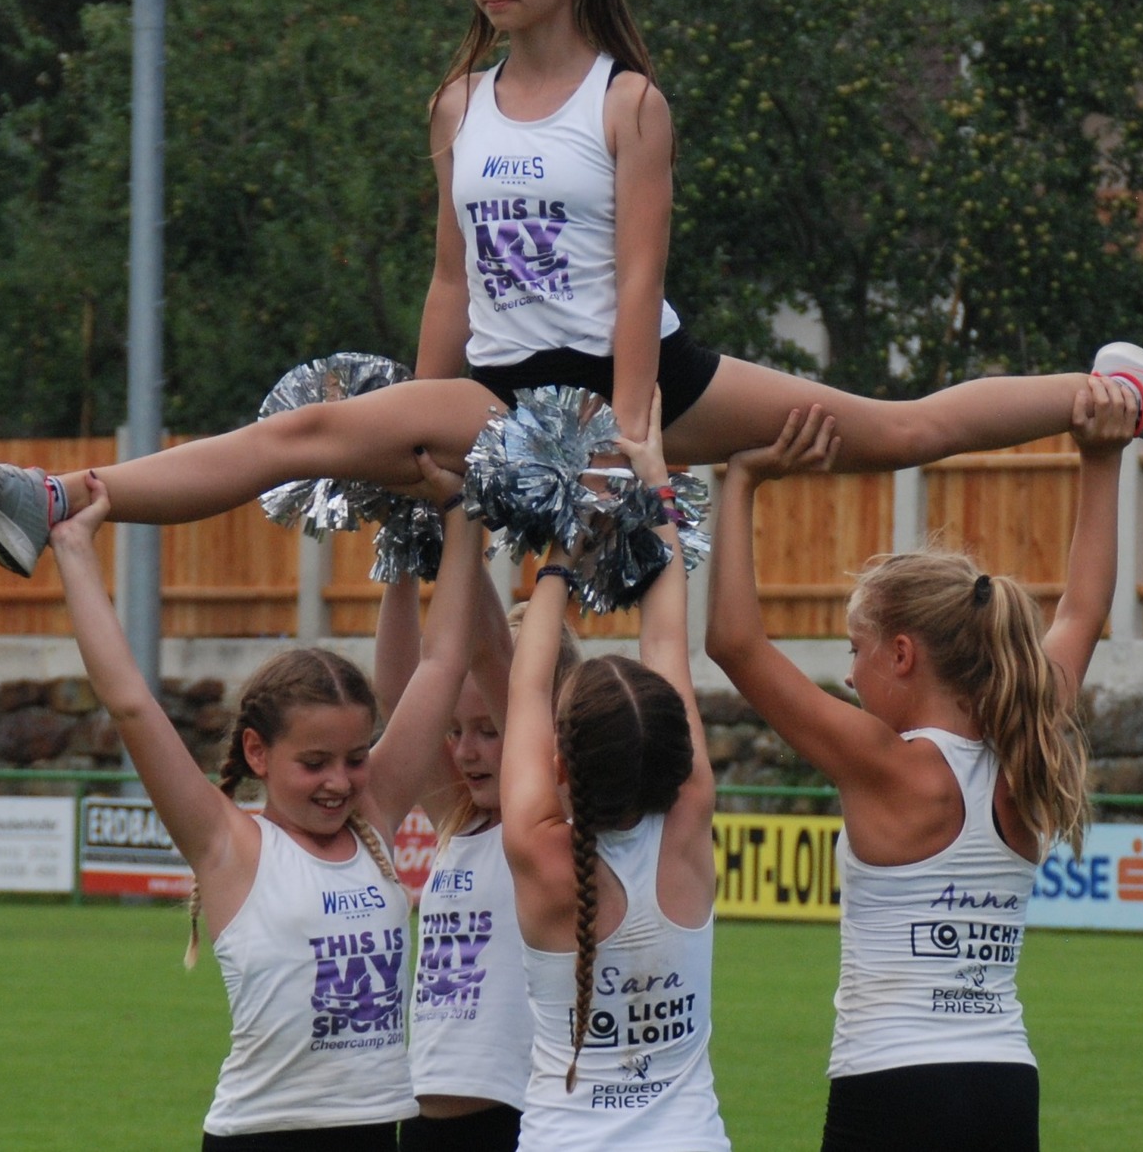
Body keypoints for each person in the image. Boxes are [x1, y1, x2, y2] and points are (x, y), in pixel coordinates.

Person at [0, 0, 1143, 580]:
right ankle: (53, 498)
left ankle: (1121, 393)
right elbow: (452, 280)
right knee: (322, 429)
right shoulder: (459, 105)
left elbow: (635, 277)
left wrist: (636, 438)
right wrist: (418, 445)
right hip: (499, 389)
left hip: (636, 374)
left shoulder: (628, 104)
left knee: (896, 432)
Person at [703, 378, 1136, 1152]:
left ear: (902, 654)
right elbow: (1081, 610)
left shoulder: (882, 763)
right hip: (1006, 1081)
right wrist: (1101, 457)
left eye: (855, 650)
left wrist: (741, 483)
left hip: (893, 1085)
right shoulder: (1025, 740)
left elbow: (735, 642)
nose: (848, 674)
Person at [48, 456, 483, 1152]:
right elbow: (130, 701)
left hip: (378, 1132)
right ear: (258, 753)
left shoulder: (374, 816)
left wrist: (461, 514)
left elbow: (444, 661)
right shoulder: (228, 843)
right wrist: (73, 548)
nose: (340, 780)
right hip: (261, 1136)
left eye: (354, 756)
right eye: (313, 763)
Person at [498, 388, 731, 1149]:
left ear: (560, 761)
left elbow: (526, 685)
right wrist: (655, 479)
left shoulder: (539, 847)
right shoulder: (692, 811)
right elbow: (668, 647)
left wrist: (562, 548)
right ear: (675, 761)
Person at [369, 578, 578, 1152]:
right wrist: (403, 560)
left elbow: (504, 675)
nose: (464, 752)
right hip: (422, 1110)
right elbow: (396, 693)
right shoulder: (458, 817)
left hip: (512, 1113)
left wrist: (462, 515)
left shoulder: (548, 824)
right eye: (456, 731)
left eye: (489, 730)